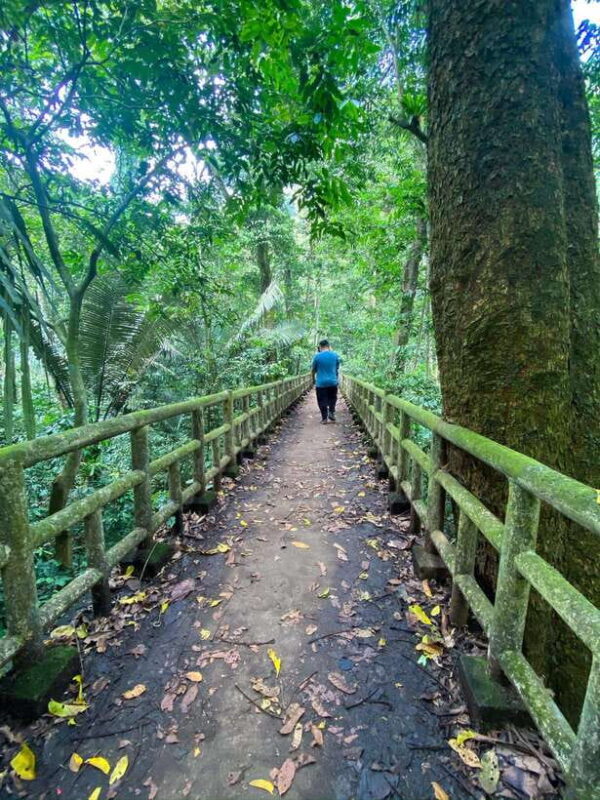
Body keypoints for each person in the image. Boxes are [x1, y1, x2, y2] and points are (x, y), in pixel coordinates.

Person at [311, 339, 341, 424]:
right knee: (332, 398)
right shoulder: (335, 355)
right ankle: (331, 412)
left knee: (322, 400)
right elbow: (337, 368)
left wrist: (313, 379)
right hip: (332, 382)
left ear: (320, 347)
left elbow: (313, 370)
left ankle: (324, 419)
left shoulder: (317, 356)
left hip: (321, 383)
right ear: (329, 346)